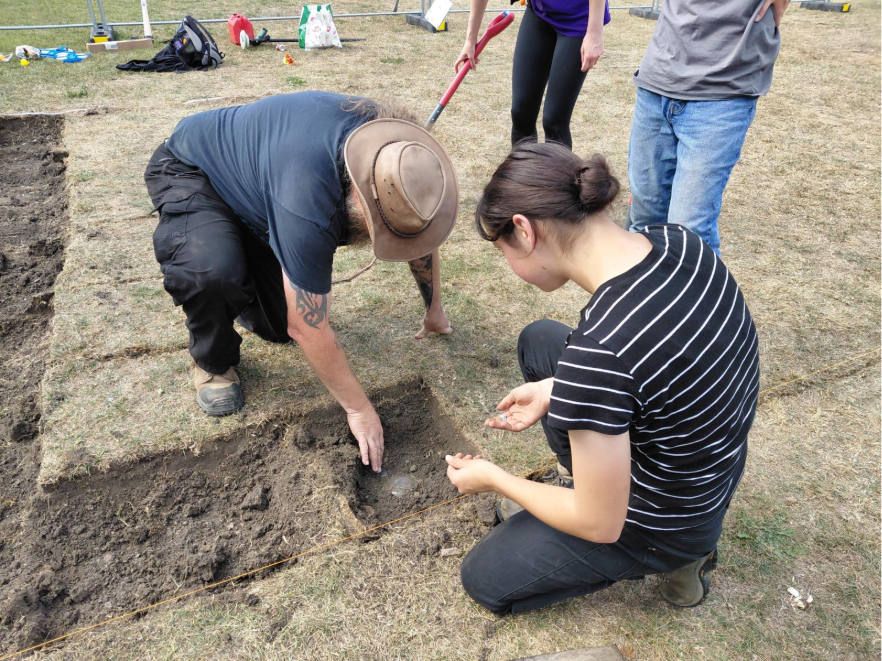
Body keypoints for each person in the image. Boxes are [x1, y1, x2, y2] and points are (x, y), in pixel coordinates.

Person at [445, 142, 759, 614]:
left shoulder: (601, 353)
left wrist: (495, 478)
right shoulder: (678, 242)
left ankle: (680, 559)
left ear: (525, 232)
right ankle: (626, 504)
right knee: (544, 340)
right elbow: (668, 361)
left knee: (484, 578)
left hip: (665, 520)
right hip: (709, 468)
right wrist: (560, 387)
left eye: (503, 250)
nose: (509, 266)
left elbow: (600, 525)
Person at [144, 92, 459, 473]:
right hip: (195, 171)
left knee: (276, 328)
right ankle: (214, 361)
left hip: (263, 192)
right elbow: (308, 328)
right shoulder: (310, 202)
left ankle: (240, 254)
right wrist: (358, 409)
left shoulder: (399, 154)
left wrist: (434, 309)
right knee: (213, 272)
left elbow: (414, 234)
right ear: (359, 198)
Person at [627, 0, 791, 255]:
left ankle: (695, 294)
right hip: (658, 78)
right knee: (644, 219)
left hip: (723, 89)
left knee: (689, 232)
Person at [457, 0, 611, 149]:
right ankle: (523, 173)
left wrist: (594, 32)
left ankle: (558, 175)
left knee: (554, 121)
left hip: (578, 19)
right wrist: (470, 40)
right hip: (540, 12)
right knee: (521, 112)